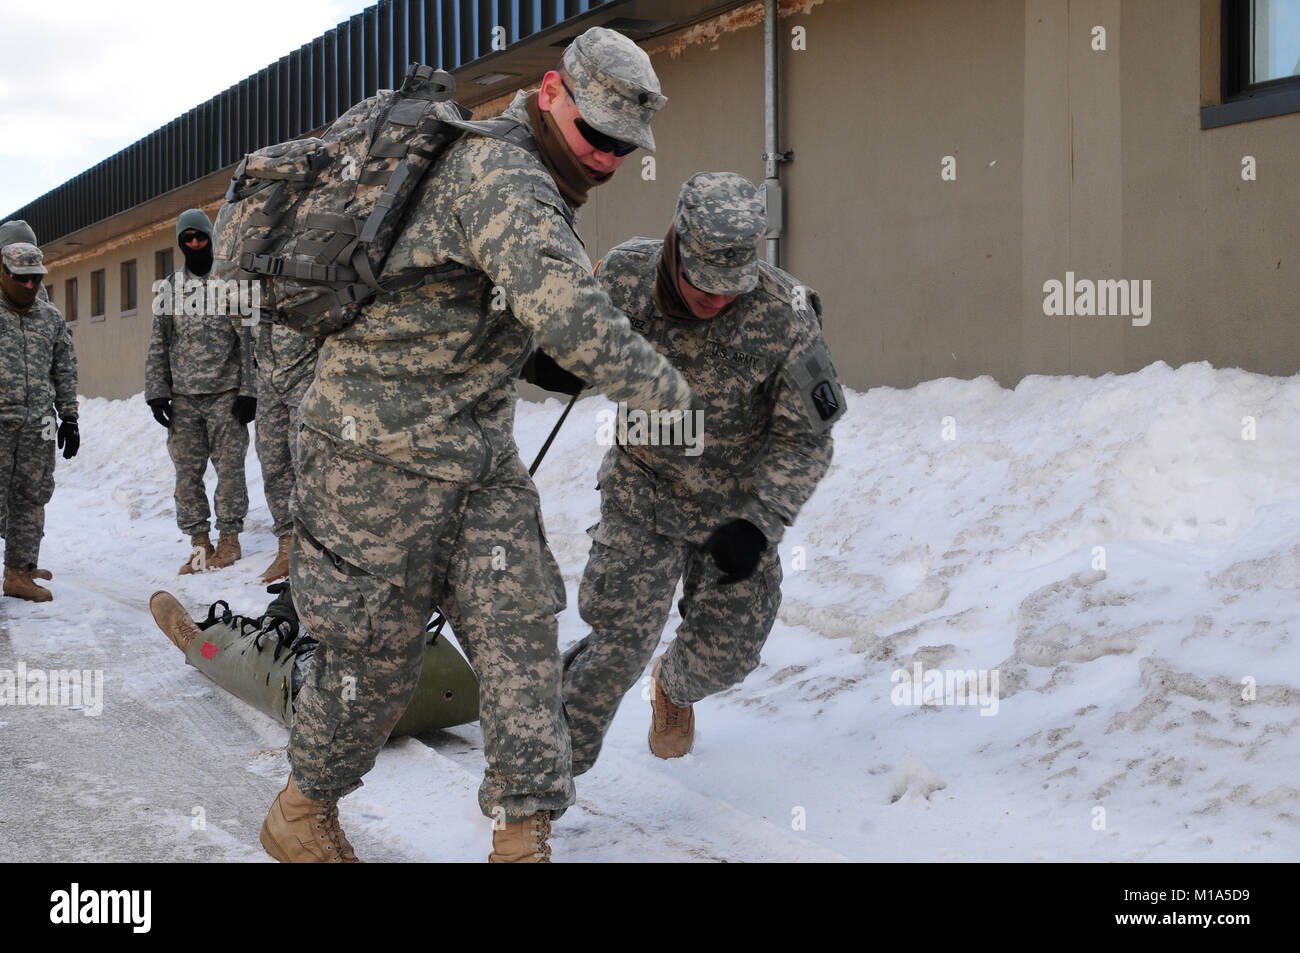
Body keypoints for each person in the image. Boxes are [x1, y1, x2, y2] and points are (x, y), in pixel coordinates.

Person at [263, 26, 691, 864]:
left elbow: (481, 306)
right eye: (595, 137)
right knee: (377, 665)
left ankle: (522, 837)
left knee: (521, 638)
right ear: (550, 94)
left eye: (621, 147)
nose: (606, 160)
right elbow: (570, 313)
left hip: (477, 457)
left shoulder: (531, 181)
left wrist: (544, 361)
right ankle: (302, 809)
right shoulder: (500, 172)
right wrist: (673, 397)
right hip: (373, 457)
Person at [561, 172, 845, 773]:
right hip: (645, 492)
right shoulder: (622, 275)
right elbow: (572, 348)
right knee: (616, 649)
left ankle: (676, 687)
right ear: (676, 246)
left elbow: (807, 438)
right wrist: (558, 359)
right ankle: (534, 794)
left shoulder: (785, 313)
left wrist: (760, 522)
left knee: (727, 656)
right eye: (703, 284)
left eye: (731, 287)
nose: (717, 299)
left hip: (734, 511)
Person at [148, 585, 479, 738]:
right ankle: (205, 643)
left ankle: (202, 645)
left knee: (246, 660)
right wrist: (283, 613)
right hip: (426, 670)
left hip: (336, 675)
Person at [145, 209, 256, 574]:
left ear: (211, 238)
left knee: (230, 471)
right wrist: (157, 392)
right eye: (187, 239)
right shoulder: (169, 289)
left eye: (201, 237)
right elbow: (159, 343)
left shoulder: (231, 283)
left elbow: (249, 340)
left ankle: (229, 541)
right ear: (180, 243)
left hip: (226, 395)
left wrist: (249, 390)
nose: (195, 244)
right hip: (185, 401)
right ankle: (199, 546)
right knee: (187, 476)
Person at [0, 242, 79, 602]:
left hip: (38, 426)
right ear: (5, 273)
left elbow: (65, 370)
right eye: (22, 279)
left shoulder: (50, 318)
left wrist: (70, 418)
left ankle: (18, 573)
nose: (30, 286)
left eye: (36, 279)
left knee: (31, 499)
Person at [250, 309, 319, 583]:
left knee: (305, 459)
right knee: (272, 462)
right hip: (267, 377)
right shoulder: (249, 274)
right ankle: (287, 546)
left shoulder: (298, 267)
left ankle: (315, 548)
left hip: (306, 371)